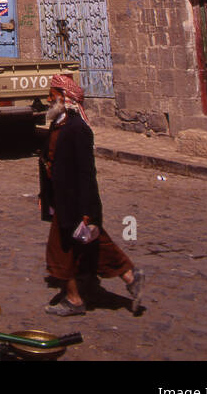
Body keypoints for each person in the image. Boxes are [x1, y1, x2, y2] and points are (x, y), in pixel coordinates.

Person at [38, 73, 145, 316]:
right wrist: (46, 196)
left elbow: (87, 174)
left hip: (74, 203)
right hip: (62, 200)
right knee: (94, 245)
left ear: (64, 98)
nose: (48, 100)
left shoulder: (78, 130)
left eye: (52, 95)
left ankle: (74, 300)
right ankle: (131, 276)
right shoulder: (58, 124)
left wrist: (88, 212)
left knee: (60, 251)